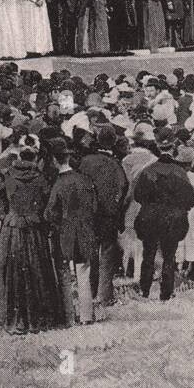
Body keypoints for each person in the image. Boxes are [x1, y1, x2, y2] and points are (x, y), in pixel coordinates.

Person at [0, 134, 64, 333]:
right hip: (34, 229)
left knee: (12, 271)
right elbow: (48, 208)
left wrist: (10, 214)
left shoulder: (6, 176)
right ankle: (38, 318)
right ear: (33, 159)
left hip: (12, 228)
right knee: (37, 270)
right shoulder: (41, 179)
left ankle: (15, 319)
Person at [132, 142, 194, 301]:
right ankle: (166, 292)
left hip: (150, 218)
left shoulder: (147, 170)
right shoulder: (180, 172)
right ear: (173, 150)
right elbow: (189, 199)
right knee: (170, 256)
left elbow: (138, 196)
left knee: (148, 254)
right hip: (172, 219)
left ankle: (145, 290)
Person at [46, 138, 99, 326]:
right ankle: (87, 315)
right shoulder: (84, 179)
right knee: (84, 272)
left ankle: (69, 315)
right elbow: (94, 206)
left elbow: (50, 213)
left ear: (54, 160)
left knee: (65, 275)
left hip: (66, 233)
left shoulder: (58, 184)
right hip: (86, 230)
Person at [79, 125, 128, 309]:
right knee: (107, 253)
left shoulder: (85, 161)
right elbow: (123, 188)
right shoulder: (115, 164)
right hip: (108, 215)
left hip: (89, 214)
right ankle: (105, 294)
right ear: (113, 142)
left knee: (90, 252)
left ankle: (90, 290)